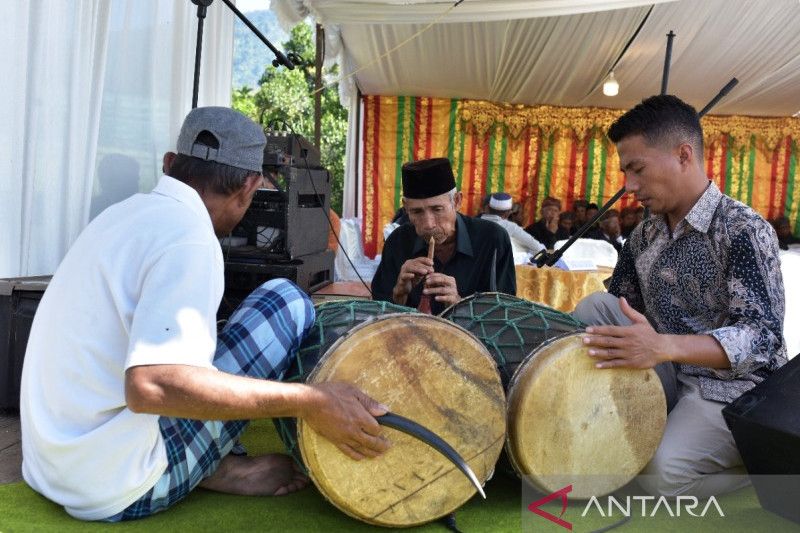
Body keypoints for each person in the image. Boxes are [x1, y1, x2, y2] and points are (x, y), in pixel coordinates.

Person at [20, 107, 390, 522]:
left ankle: (214, 465)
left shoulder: (118, 215)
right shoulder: (189, 238)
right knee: (285, 301)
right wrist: (311, 401)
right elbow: (151, 386)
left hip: (51, 467)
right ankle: (207, 466)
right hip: (115, 486)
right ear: (251, 185)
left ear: (170, 164)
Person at [573, 95, 786, 498]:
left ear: (684, 155)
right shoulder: (644, 234)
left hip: (734, 388)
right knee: (594, 307)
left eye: (637, 170)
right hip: (668, 373)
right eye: (625, 172)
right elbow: (620, 306)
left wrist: (663, 346)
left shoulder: (743, 228)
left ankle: (766, 462)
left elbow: (762, 338)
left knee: (658, 474)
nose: (629, 186)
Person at [371, 158, 516, 315]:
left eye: (437, 209)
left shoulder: (492, 239)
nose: (428, 224)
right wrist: (399, 294)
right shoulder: (397, 241)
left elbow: (504, 315)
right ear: (406, 208)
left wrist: (459, 305)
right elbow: (378, 318)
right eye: (417, 212)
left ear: (457, 201)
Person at [480, 192, 545, 257]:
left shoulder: (475, 223)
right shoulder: (510, 227)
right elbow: (538, 248)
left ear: (488, 208)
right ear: (508, 212)